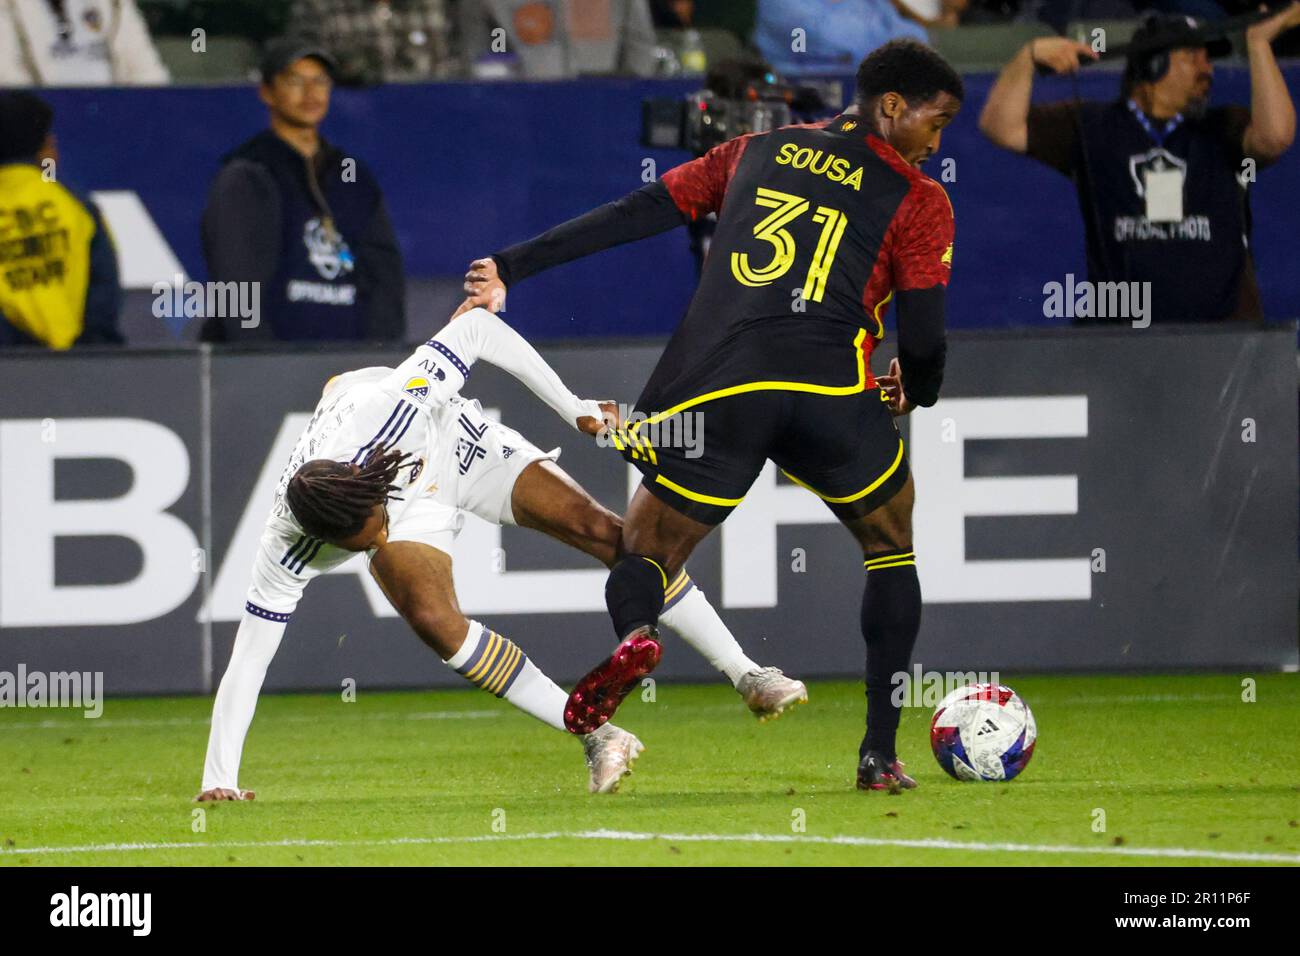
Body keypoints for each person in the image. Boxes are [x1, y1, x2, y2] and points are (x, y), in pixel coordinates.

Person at [463, 38, 962, 793]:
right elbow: (923, 340)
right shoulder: (919, 199)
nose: (937, 139)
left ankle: (637, 636)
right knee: (891, 546)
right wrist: (914, 392)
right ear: (892, 107)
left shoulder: (753, 151)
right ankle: (878, 755)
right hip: (826, 394)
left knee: (645, 553)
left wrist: (514, 264)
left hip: (714, 392)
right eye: (936, 120)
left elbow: (640, 211)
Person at [197, 305, 807, 801]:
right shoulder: (286, 545)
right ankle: (598, 737)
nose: (377, 543)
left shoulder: (393, 412)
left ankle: (749, 674)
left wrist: (573, 408)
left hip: (449, 443)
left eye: (373, 528)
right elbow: (248, 658)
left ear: (372, 492)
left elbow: (477, 328)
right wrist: (218, 779)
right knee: (438, 625)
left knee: (614, 538)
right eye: (359, 548)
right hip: (403, 492)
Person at [978, 8, 1299, 324]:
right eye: (1193, 56)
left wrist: (1258, 45)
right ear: (1152, 66)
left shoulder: (1224, 127)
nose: (1208, 69)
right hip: (1120, 344)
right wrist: (1027, 58)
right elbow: (1001, 127)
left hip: (1224, 339)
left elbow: (1275, 138)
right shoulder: (1093, 126)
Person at [200, 39, 405, 343]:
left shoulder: (353, 177)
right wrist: (256, 361)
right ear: (267, 92)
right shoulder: (247, 174)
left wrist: (378, 357)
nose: (310, 93)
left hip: (351, 372)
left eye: (320, 81)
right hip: (271, 372)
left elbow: (384, 277)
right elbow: (235, 284)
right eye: (295, 80)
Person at [0, 91, 123, 349]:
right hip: (75, 365)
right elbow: (102, 289)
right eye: (49, 141)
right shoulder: (75, 206)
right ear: (41, 147)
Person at [459, 0, 658, 79]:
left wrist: (629, 97)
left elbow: (639, 44)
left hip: (599, 105)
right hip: (521, 107)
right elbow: (479, 55)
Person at [0, 0, 169, 86]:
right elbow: (9, 82)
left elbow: (149, 76)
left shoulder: (115, 4)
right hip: (43, 134)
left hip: (115, 123)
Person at [286, 0, 457, 83]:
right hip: (348, 132)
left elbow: (460, 73)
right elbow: (300, 82)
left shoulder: (435, 7)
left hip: (429, 126)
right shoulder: (317, 8)